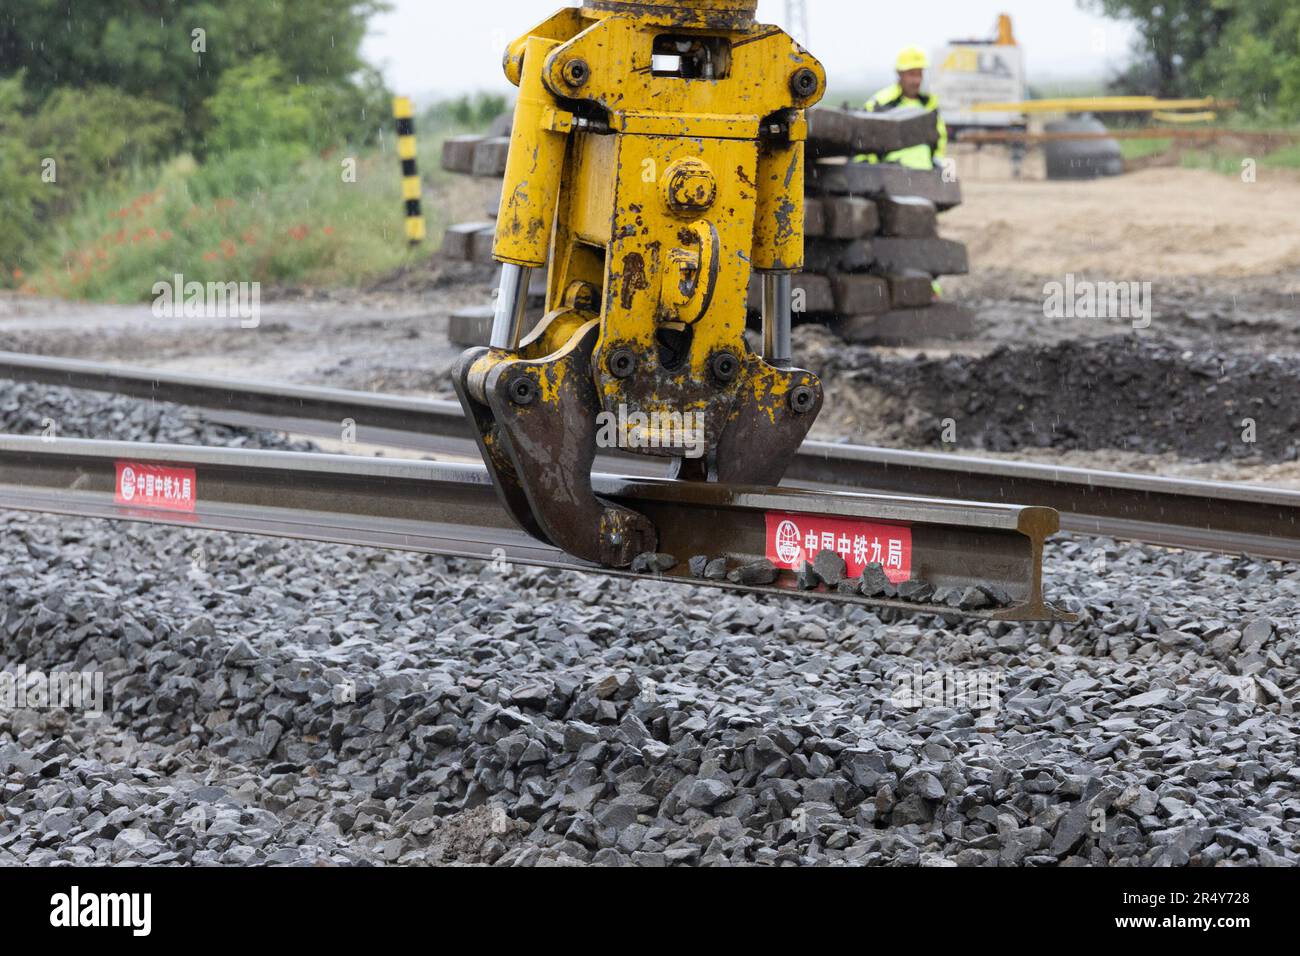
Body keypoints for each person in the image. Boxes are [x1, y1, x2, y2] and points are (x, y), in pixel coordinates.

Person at [859, 45, 947, 170]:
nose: (917, 80)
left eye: (919, 73)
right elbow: (864, 140)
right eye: (911, 74)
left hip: (925, 175)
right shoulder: (881, 103)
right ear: (899, 74)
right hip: (890, 177)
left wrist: (937, 162)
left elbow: (940, 138)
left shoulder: (929, 104)